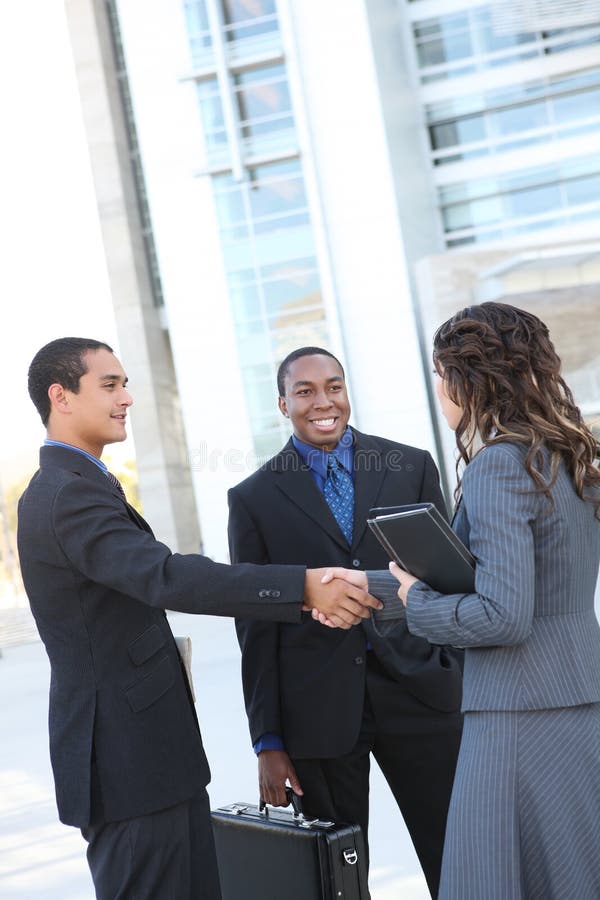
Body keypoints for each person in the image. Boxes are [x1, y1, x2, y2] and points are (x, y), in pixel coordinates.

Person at [17, 338, 382, 900]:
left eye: (125, 384)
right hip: (127, 767)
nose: (127, 398)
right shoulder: (67, 493)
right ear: (60, 397)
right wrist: (302, 585)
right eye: (110, 385)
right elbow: (165, 576)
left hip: (154, 762)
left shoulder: (84, 483)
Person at [324, 303, 600, 899]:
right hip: (577, 702)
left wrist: (415, 600)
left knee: (494, 881)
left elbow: (503, 614)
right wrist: (360, 588)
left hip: (516, 716)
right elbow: (502, 581)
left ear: (464, 378)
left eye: (439, 373)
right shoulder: (567, 455)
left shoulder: (500, 466)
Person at [228, 346, 463, 898]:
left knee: (458, 853)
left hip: (423, 693)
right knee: (336, 878)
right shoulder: (254, 498)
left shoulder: (409, 466)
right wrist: (268, 741)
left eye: (334, 386)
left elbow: (452, 577)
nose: (323, 401)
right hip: (318, 715)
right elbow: (254, 627)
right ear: (282, 403)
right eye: (305, 391)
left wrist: (460, 674)